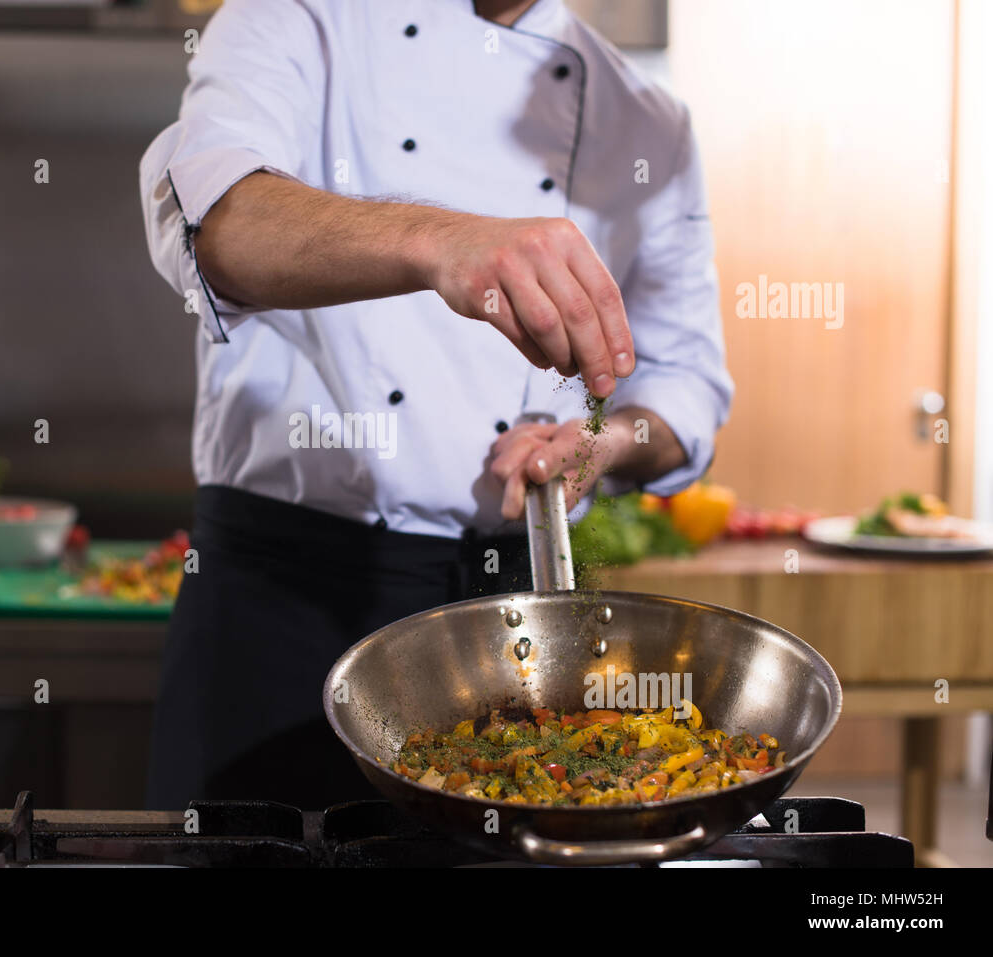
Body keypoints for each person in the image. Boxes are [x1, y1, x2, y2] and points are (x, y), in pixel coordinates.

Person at [139, 0, 733, 809]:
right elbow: (217, 220)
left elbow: (685, 381)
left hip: (509, 624)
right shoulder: (299, 15)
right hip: (281, 604)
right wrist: (440, 240)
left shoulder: (648, 120)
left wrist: (606, 442)